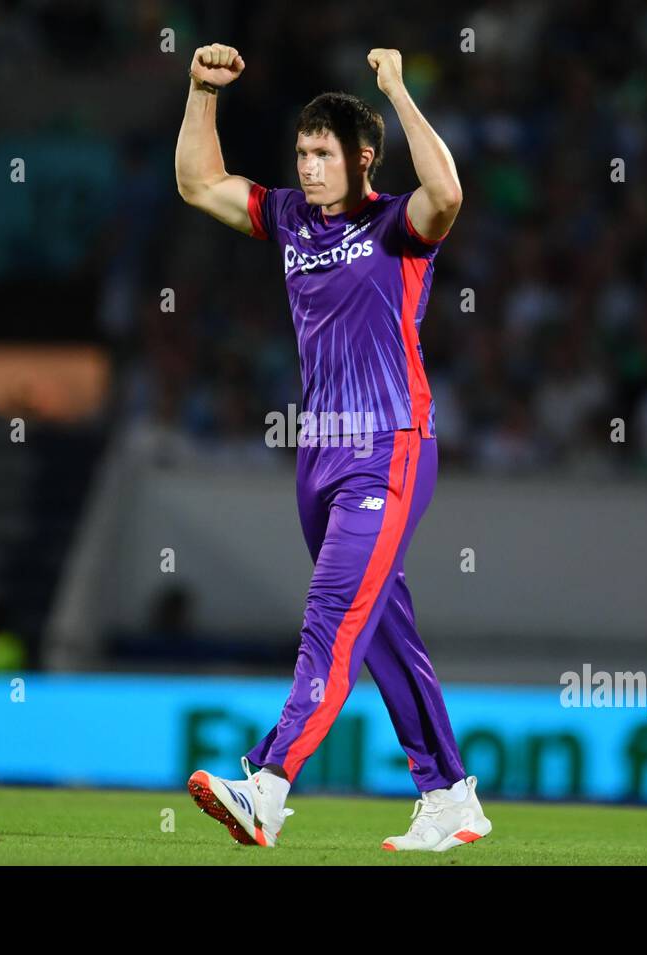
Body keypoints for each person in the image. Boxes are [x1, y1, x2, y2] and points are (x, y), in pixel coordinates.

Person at [175, 43, 489, 851]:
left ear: (362, 159)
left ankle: (268, 784)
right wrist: (202, 92)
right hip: (318, 456)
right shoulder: (288, 218)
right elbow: (199, 183)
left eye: (324, 155)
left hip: (390, 447)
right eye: (302, 153)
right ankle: (449, 793)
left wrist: (396, 89)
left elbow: (447, 190)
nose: (309, 168)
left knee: (329, 616)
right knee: (381, 627)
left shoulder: (397, 225)